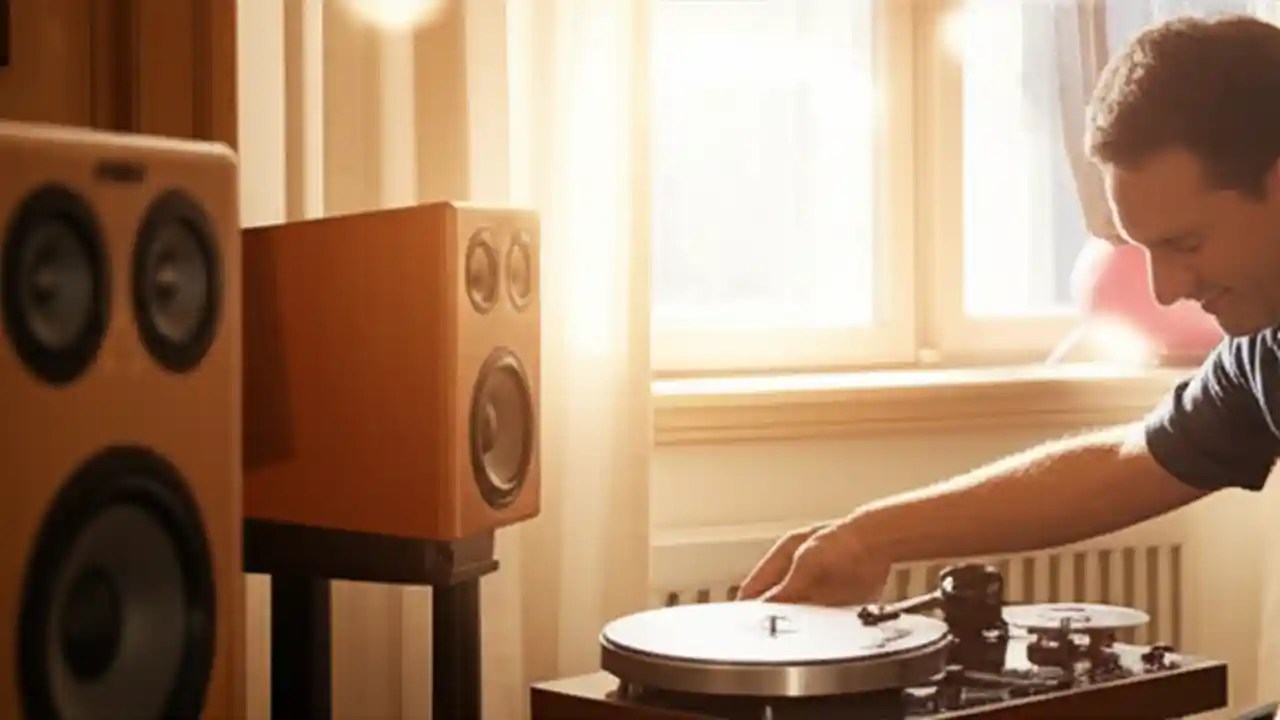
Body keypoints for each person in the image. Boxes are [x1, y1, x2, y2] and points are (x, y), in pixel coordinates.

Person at [737, 11, 1280, 719]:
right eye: (1143, 249)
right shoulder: (1264, 355)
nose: (1164, 289)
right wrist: (869, 535)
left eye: (1186, 243)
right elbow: (1127, 463)